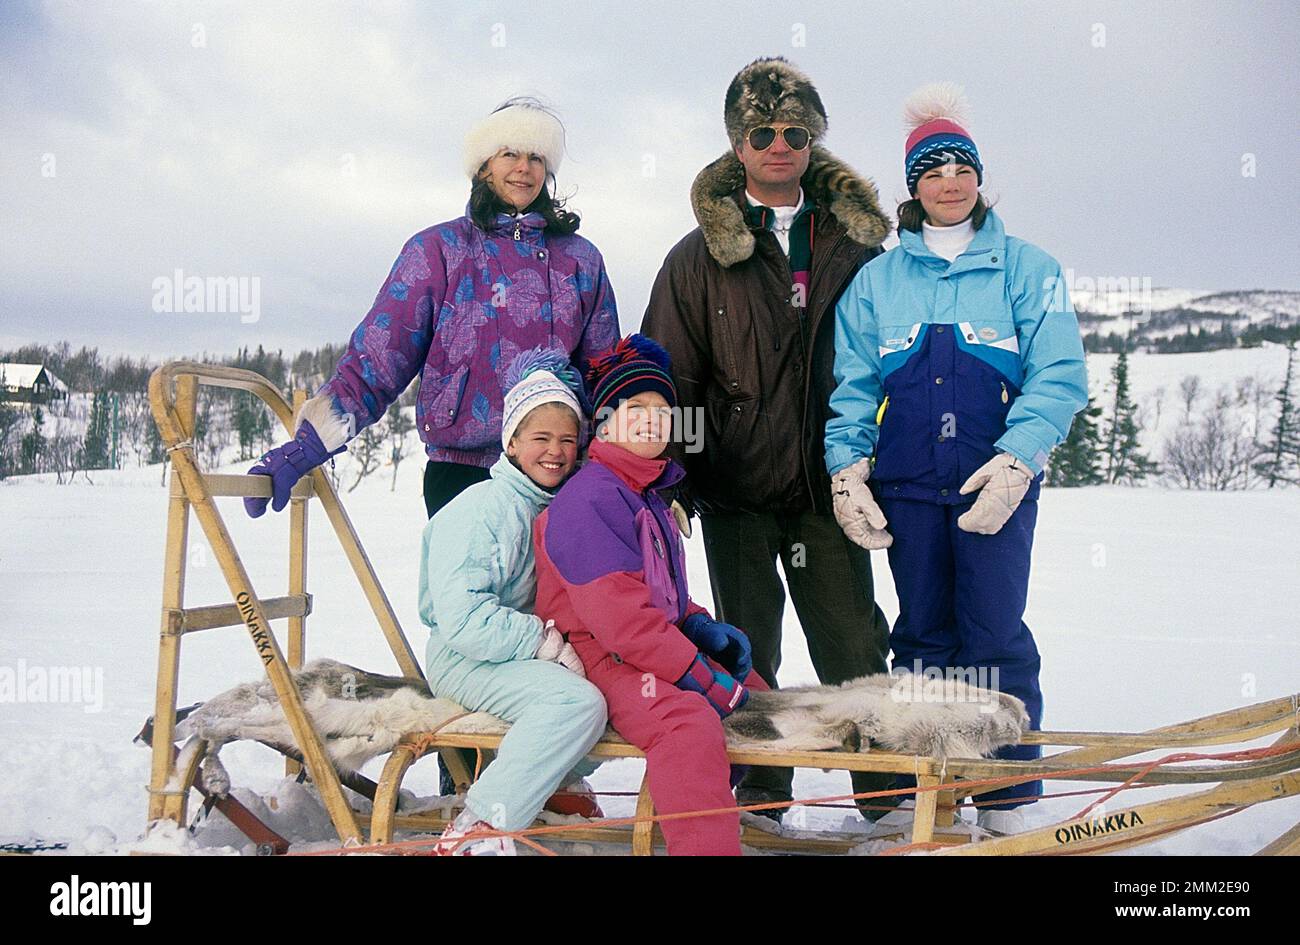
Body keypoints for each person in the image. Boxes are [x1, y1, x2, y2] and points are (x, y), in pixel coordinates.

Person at [242, 97, 620, 792]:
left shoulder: (579, 261)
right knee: (476, 629)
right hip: (466, 475)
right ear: (482, 162)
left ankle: (548, 778)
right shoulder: (438, 251)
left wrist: (639, 475)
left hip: (557, 481)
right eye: (509, 151)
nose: (523, 166)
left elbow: (607, 376)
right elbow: (374, 363)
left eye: (537, 155)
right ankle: (468, 789)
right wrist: (302, 449)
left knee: (562, 634)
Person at [824, 83, 1089, 834]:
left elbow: (1061, 375)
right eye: (932, 169)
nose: (948, 181)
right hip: (909, 488)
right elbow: (853, 386)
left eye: (960, 167)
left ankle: (1005, 795)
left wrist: (1018, 460)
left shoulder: (1028, 268)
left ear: (978, 176)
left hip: (994, 487)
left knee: (995, 634)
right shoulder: (877, 280)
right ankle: (917, 790)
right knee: (921, 637)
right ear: (913, 184)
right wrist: (847, 468)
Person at [641, 57, 895, 822]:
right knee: (747, 653)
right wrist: (672, 477)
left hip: (828, 486)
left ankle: (886, 801)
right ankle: (759, 799)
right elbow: (670, 375)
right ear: (738, 144)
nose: (779, 144)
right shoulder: (696, 258)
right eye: (761, 131)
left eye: (794, 130)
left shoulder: (855, 247)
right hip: (738, 491)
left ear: (813, 139)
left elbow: (890, 363)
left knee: (853, 645)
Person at [533, 335, 768, 856]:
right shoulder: (590, 499)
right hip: (599, 658)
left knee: (756, 692)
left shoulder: (646, 492)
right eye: (634, 407)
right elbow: (621, 623)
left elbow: (662, 600)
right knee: (688, 725)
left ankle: (699, 810)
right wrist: (694, 671)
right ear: (606, 421)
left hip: (644, 645)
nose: (652, 419)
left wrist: (701, 627)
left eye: (662, 409)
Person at [420, 350, 608, 855]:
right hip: (465, 655)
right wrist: (541, 641)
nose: (555, 452)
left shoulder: (557, 503)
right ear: (512, 441)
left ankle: (556, 783)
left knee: (614, 683)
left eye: (568, 440)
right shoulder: (482, 509)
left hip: (518, 651)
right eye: (541, 439)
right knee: (575, 702)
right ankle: (482, 823)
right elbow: (462, 618)